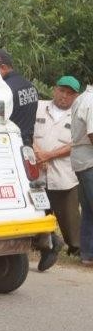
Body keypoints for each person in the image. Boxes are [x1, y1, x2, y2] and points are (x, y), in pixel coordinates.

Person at [33, 76, 82, 271]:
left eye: (70, 93)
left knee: (70, 221)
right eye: (62, 91)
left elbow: (79, 142)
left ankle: (76, 251)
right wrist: (37, 153)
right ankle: (48, 246)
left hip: (63, 175)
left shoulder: (79, 114)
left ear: (76, 96)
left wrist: (48, 155)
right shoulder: (37, 107)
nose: (64, 96)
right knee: (37, 217)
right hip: (36, 174)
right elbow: (25, 130)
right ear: (54, 89)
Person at [0, 49, 38, 146]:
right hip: (26, 145)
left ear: (3, 67)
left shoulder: (4, 89)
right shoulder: (31, 86)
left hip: (9, 145)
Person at [69, 81, 93, 267]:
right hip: (89, 161)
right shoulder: (91, 100)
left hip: (81, 161)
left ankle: (87, 254)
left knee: (88, 210)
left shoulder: (82, 98)